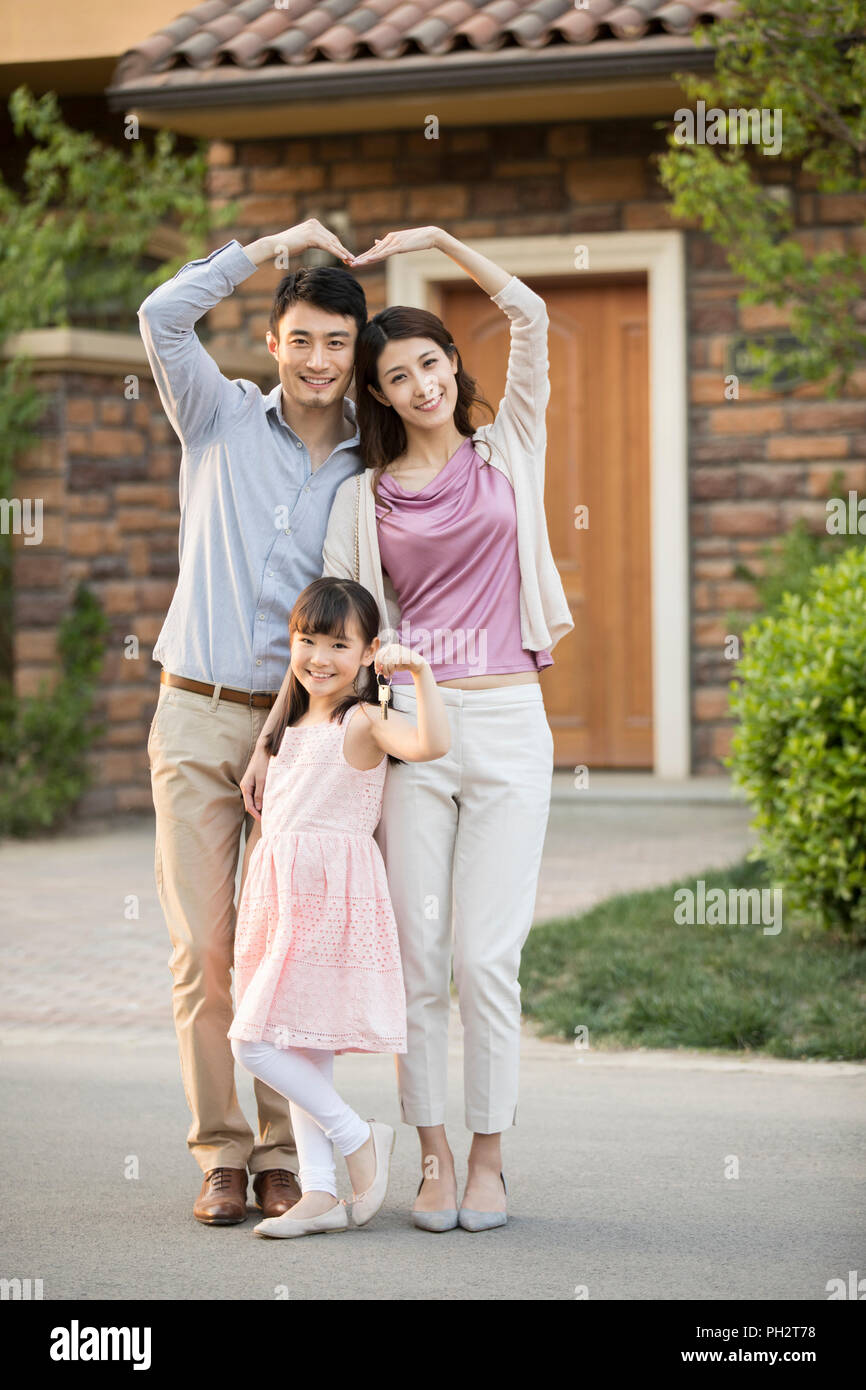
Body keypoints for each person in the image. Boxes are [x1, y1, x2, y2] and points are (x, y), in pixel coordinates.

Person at [326, 226, 574, 1231]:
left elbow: (532, 313)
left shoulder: (509, 443)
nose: (422, 383)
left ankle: (488, 1159)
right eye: (398, 374)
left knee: (485, 959)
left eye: (431, 361)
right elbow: (348, 622)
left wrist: (434, 243)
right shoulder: (362, 496)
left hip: (510, 717)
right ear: (377, 395)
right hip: (412, 727)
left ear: (450, 365)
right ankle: (427, 1154)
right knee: (420, 959)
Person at [139, 219, 368, 1225]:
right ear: (273, 342)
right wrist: (271, 245)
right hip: (193, 712)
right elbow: (161, 312)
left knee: (279, 949)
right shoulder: (217, 415)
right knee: (202, 948)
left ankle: (285, 1149)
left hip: (301, 736)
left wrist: (287, 735)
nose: (318, 359)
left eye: (337, 343)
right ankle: (221, 1150)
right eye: (302, 338)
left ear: (353, 355)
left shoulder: (370, 469)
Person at [230, 577, 450, 1238]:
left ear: (367, 651)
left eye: (338, 643)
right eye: (307, 641)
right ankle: (321, 1193)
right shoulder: (291, 723)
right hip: (279, 897)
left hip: (331, 904)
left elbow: (431, 745)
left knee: (253, 1039)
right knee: (301, 1040)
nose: (320, 657)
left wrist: (420, 673)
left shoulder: (363, 720)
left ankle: (359, 1137)